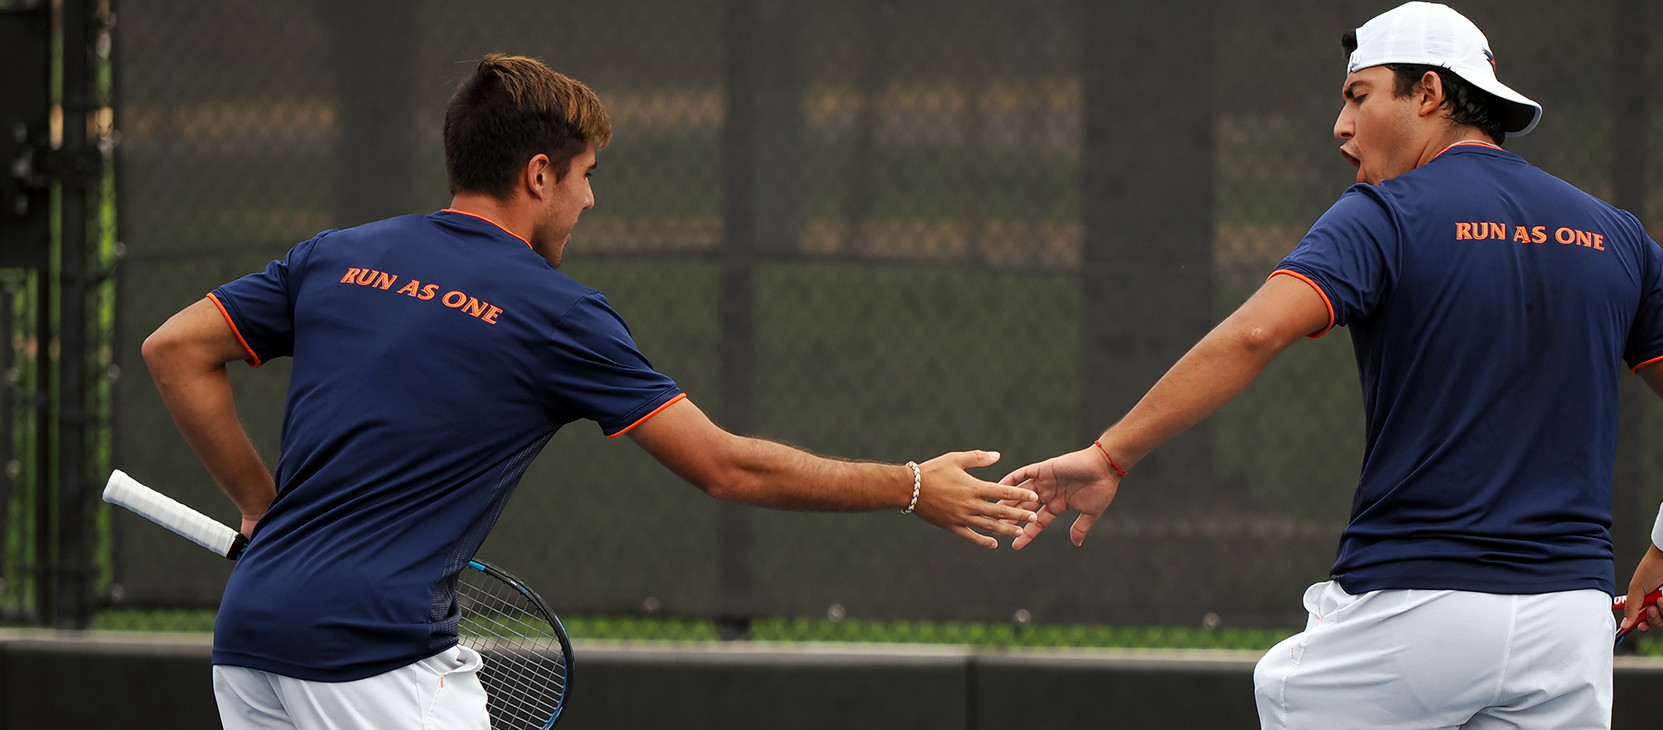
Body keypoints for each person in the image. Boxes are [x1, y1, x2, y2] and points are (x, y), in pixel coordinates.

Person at [141, 54, 1039, 730]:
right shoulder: (554, 311)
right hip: (373, 661)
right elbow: (724, 468)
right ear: (540, 175)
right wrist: (912, 485)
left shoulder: (335, 256)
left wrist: (262, 508)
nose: (589, 203)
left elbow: (175, 348)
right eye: (586, 177)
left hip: (252, 645)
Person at [1000, 3, 1663, 727]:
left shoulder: (1384, 213)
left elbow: (1256, 335)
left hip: (1414, 609)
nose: (1340, 125)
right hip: (1568, 630)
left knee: (1288, 697)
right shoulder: (1619, 237)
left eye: (1358, 95)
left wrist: (1109, 456)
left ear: (1428, 93)